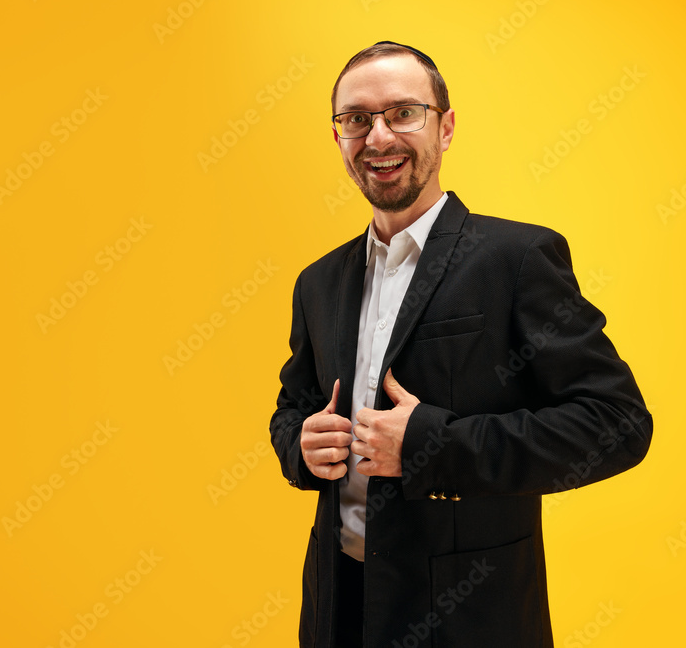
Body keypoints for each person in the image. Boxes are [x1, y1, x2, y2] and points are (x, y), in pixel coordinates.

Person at [269, 41, 652, 648]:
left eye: (403, 113)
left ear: (445, 128)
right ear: (339, 137)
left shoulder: (518, 259)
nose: (377, 137)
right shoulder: (317, 282)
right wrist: (301, 446)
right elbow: (292, 408)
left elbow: (617, 424)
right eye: (357, 119)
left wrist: (434, 445)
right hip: (337, 606)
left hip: (468, 616)